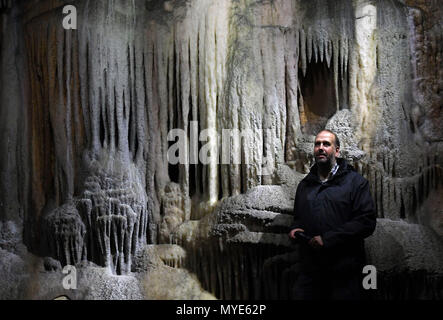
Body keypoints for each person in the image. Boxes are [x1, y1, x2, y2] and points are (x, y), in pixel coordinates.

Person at [288, 130, 376, 300]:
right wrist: (295, 228)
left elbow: (366, 222)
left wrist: (328, 239)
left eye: (326, 144)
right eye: (317, 144)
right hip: (311, 271)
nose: (321, 148)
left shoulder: (355, 183)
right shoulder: (305, 185)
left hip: (344, 273)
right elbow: (298, 217)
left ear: (336, 151)